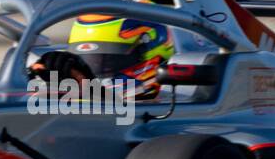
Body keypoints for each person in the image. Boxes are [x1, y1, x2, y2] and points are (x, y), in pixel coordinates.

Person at [28, 14, 175, 101]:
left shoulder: (178, 104)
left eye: (107, 61)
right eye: (86, 61)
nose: (91, 72)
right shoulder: (76, 96)